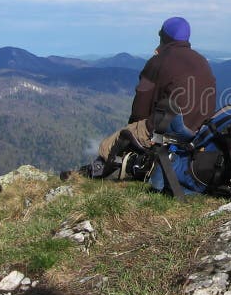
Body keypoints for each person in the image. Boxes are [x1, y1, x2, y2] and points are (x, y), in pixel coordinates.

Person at [88, 16, 216, 178]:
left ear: (164, 36)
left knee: (109, 145)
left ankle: (93, 173)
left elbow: (140, 107)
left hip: (169, 130)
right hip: (200, 133)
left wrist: (133, 132)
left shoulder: (158, 61)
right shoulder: (202, 61)